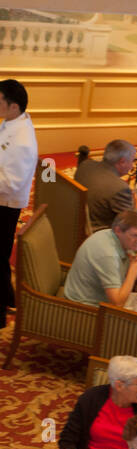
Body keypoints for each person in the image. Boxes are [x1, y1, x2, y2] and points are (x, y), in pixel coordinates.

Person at [0, 79, 36, 327]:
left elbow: (11, 182)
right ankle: (9, 297)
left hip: (5, 204)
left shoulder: (22, 140)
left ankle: (0, 313)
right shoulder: (12, 121)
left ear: (13, 106)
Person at [62, 209, 137, 307]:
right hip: (82, 308)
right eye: (135, 235)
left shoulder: (114, 237)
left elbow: (123, 277)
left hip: (100, 299)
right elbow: (117, 303)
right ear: (118, 230)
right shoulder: (108, 254)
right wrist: (133, 272)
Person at [76, 139, 137, 232]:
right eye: (131, 161)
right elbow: (130, 228)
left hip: (77, 219)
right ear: (122, 162)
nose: (132, 166)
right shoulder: (120, 188)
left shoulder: (85, 165)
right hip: (98, 233)